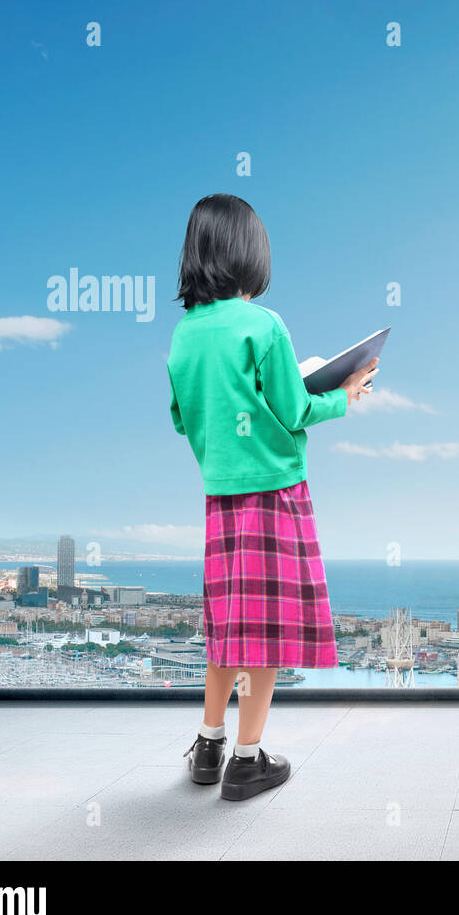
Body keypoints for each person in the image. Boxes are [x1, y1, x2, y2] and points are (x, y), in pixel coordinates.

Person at [166, 193, 377, 801]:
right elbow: (294, 409)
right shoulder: (264, 325)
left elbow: (183, 419)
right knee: (264, 632)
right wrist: (345, 392)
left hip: (219, 501)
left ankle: (208, 746)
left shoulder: (183, 336)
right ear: (250, 253)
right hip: (274, 497)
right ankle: (247, 761)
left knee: (226, 627)